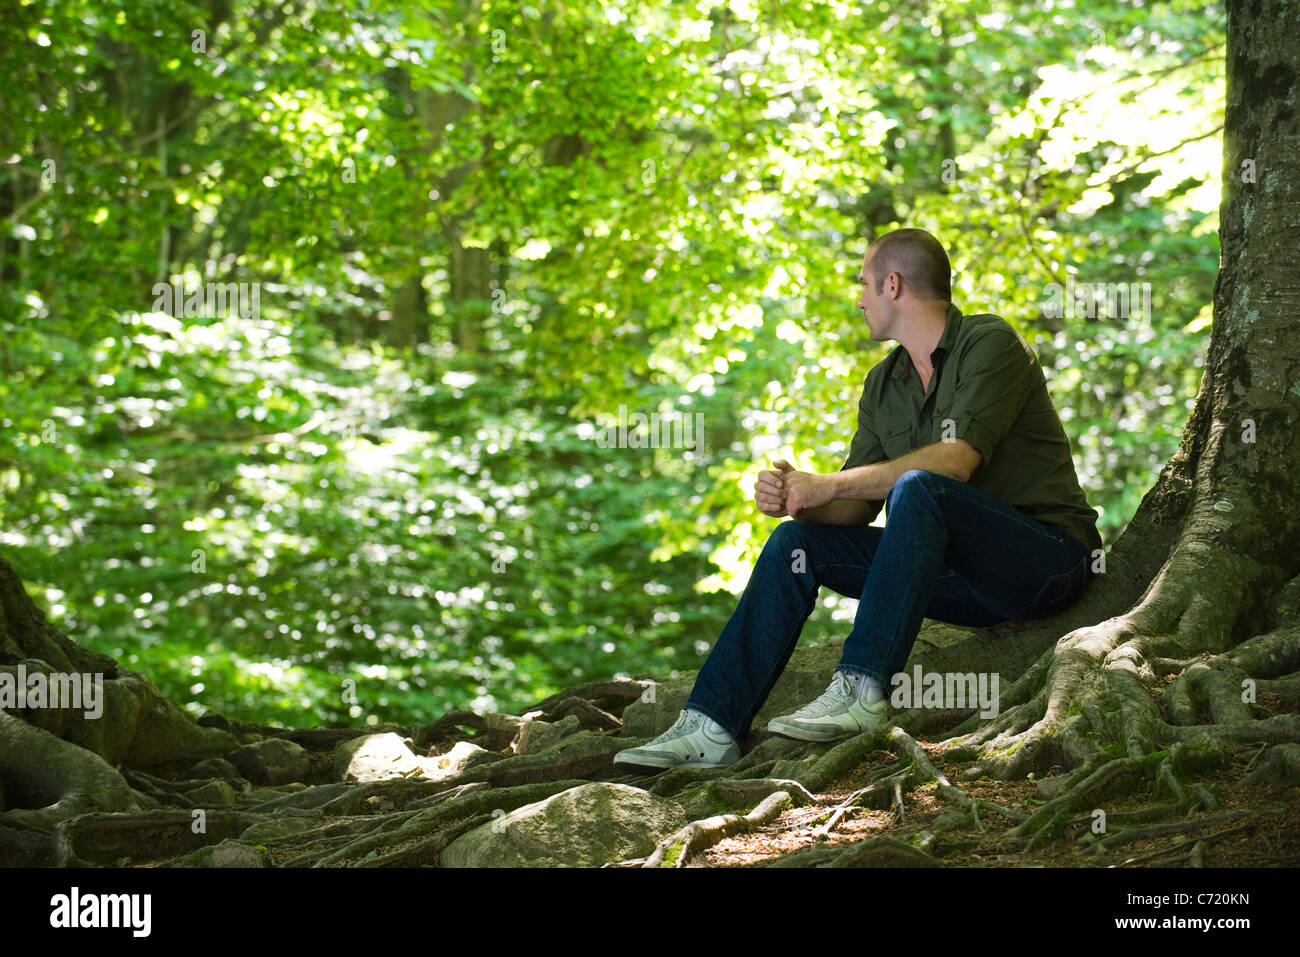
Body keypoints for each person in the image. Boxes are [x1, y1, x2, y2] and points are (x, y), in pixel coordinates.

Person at [614, 227, 1102, 770]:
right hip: (959, 580)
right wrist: (801, 497)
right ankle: (711, 725)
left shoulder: (989, 342)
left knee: (920, 486)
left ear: (892, 285)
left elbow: (955, 461)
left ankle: (861, 690)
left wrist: (830, 483)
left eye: (863, 285)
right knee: (797, 540)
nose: (859, 298)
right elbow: (854, 507)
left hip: (1045, 563)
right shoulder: (883, 382)